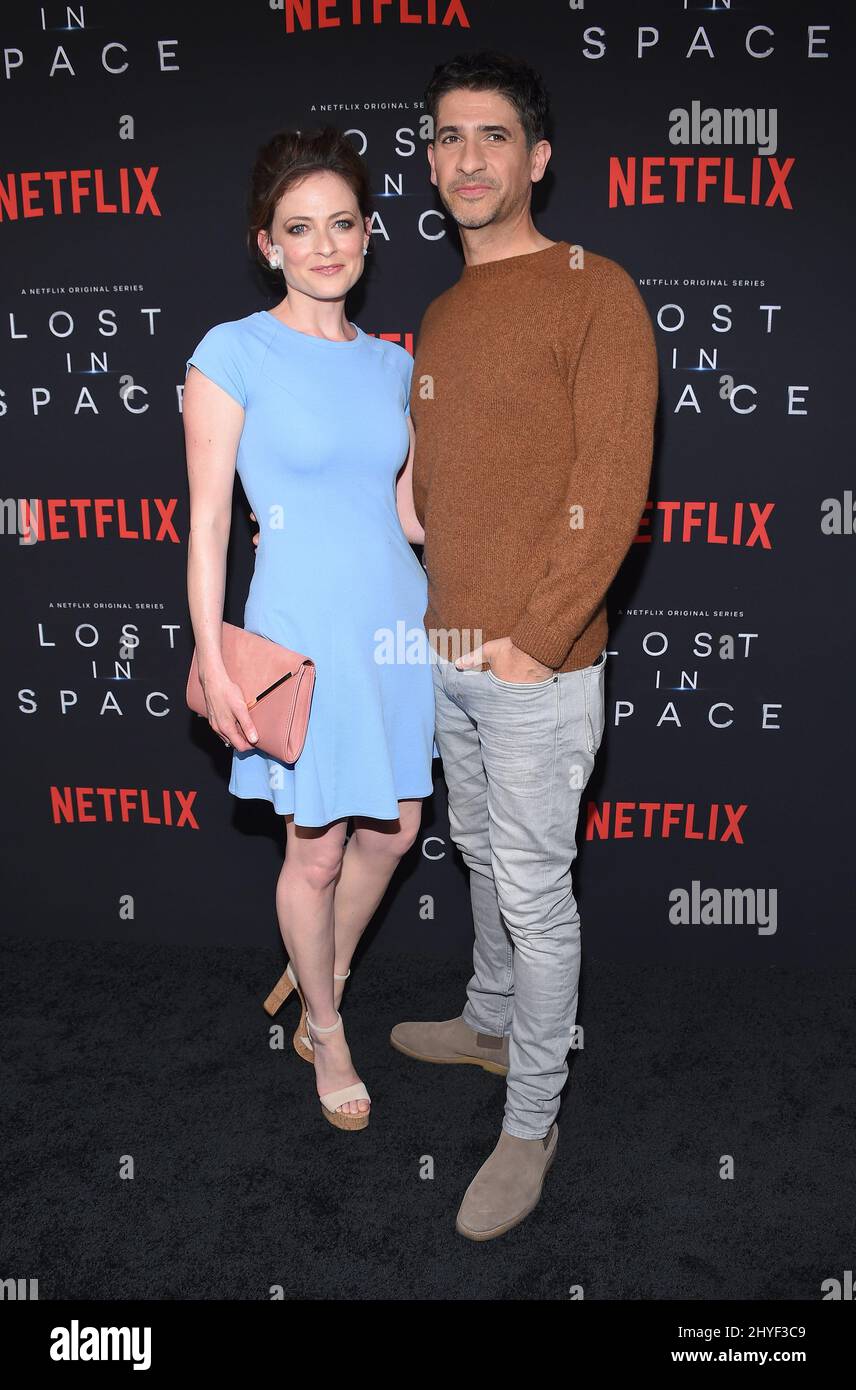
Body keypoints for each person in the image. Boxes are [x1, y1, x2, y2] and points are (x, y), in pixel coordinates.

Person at [389, 51, 660, 1238]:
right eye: (448, 137)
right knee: (486, 863)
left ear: (535, 157)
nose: (468, 158)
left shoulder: (595, 289)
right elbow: (436, 494)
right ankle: (491, 1024)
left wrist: (536, 641)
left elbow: (611, 485)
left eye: (492, 136)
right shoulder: (441, 313)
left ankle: (531, 1119)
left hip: (537, 666)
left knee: (537, 893)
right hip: (444, 647)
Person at [183, 127, 435, 1132]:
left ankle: (312, 968)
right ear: (267, 243)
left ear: (368, 234)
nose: (324, 244)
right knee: (318, 850)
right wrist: (212, 654)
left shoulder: (391, 364)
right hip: (301, 633)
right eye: (300, 227)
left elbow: (412, 513)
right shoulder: (231, 350)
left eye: (341, 223)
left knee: (399, 829)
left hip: (395, 624)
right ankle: (327, 1027)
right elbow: (206, 522)